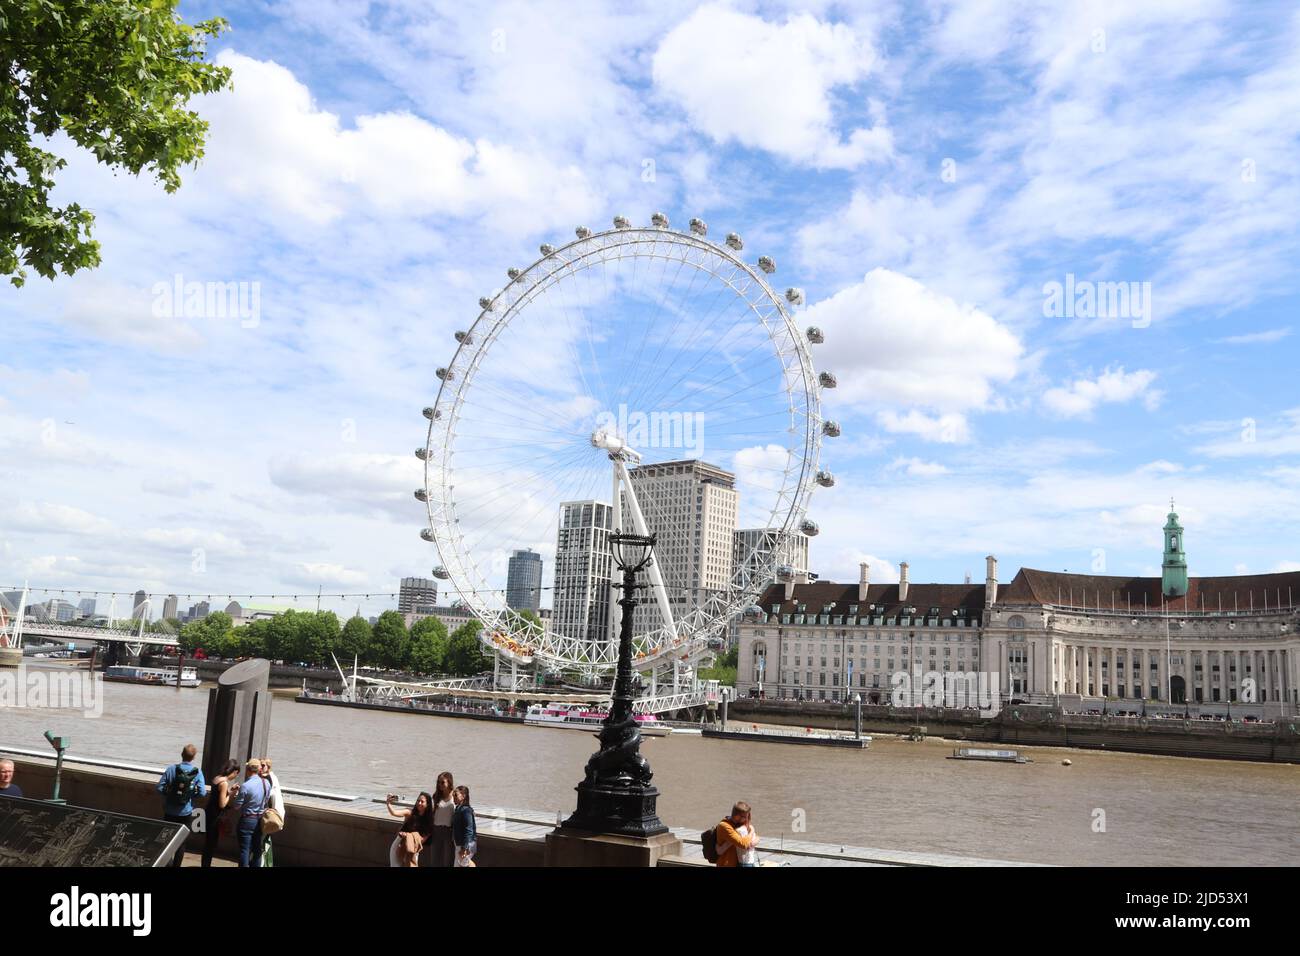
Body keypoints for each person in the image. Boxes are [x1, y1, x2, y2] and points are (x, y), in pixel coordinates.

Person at [155, 744, 207, 867]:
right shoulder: (197, 772)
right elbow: (202, 792)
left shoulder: (171, 769)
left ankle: (167, 864)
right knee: (181, 843)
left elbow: (159, 787)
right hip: (186, 812)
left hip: (170, 811)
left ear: (181, 754)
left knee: (167, 842)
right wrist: (190, 798)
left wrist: (169, 796)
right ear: (193, 757)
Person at [228, 759, 271, 867]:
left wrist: (236, 795)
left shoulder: (246, 786)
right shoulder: (266, 783)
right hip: (260, 820)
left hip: (247, 820)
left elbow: (237, 806)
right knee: (257, 850)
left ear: (248, 770)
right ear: (259, 769)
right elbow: (266, 800)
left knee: (245, 850)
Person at [201, 759, 240, 868]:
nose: (235, 777)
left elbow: (218, 796)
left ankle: (205, 864)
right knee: (211, 844)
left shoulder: (217, 778)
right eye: (237, 774)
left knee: (208, 843)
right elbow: (222, 804)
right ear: (235, 772)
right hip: (215, 817)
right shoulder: (224, 783)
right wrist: (232, 792)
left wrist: (230, 791)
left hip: (209, 813)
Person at [386, 791, 434, 867]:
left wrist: (407, 836)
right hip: (399, 845)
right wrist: (388, 804)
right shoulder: (410, 812)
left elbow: (422, 840)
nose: (419, 803)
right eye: (418, 801)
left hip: (413, 848)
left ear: (428, 804)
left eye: (422, 801)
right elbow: (394, 813)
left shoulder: (429, 821)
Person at [713, 801, 758, 868]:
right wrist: (752, 831)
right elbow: (743, 844)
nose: (746, 819)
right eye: (745, 817)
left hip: (737, 863)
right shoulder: (725, 826)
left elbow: (756, 838)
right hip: (726, 864)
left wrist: (752, 842)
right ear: (737, 816)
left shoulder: (739, 825)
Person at [258, 757, 285, 867]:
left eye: (263, 765)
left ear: (268, 767)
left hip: (267, 815)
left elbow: (272, 796)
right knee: (264, 841)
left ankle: (262, 863)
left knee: (261, 842)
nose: (261, 767)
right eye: (260, 765)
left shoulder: (268, 779)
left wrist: (271, 810)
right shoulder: (271, 778)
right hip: (270, 814)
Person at [428, 771, 456, 867]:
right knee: (434, 860)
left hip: (449, 832)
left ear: (449, 782)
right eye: (439, 782)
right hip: (435, 830)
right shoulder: (436, 796)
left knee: (447, 861)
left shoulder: (455, 796)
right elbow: (431, 813)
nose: (440, 785)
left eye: (443, 782)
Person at [451, 785, 477, 868]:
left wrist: (465, 848)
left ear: (463, 796)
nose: (453, 798)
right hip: (460, 844)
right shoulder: (459, 808)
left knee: (465, 864)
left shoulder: (466, 810)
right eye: (453, 795)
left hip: (465, 845)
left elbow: (469, 830)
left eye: (456, 795)